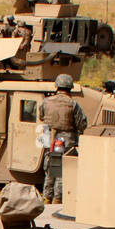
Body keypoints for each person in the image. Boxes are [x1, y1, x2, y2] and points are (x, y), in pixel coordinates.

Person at [38, 73, 86, 203]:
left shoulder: (46, 102)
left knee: (49, 168)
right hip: (67, 140)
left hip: (50, 139)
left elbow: (41, 116)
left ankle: (47, 197)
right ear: (70, 87)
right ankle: (58, 199)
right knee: (62, 170)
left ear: (57, 86)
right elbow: (82, 123)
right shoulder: (73, 104)